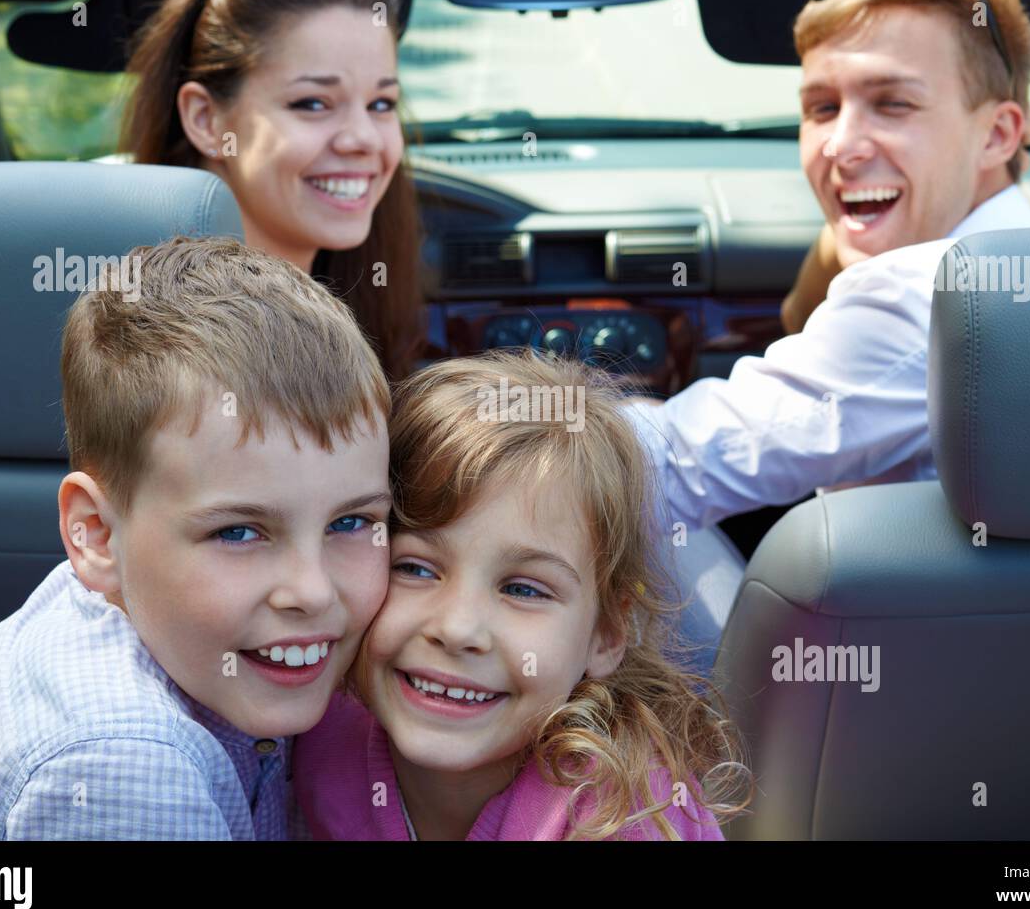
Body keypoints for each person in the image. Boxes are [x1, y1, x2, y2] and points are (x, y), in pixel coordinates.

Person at [0, 237, 393, 839]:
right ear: (95, 534)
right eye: (239, 532)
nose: (311, 590)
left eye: (350, 523)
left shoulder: (143, 616)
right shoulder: (127, 771)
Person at [625, 0, 1030, 531]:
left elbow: (664, 472)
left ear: (997, 135)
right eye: (822, 108)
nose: (840, 147)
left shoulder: (924, 296)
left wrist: (524, 411)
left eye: (893, 104)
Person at [292, 350, 750, 839]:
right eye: (416, 569)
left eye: (522, 589)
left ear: (606, 635)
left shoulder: (625, 821)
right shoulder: (310, 731)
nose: (457, 629)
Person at [120, 0, 423, 379]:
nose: (364, 138)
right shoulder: (169, 358)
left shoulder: (357, 306)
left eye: (382, 103)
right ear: (206, 119)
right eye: (313, 103)